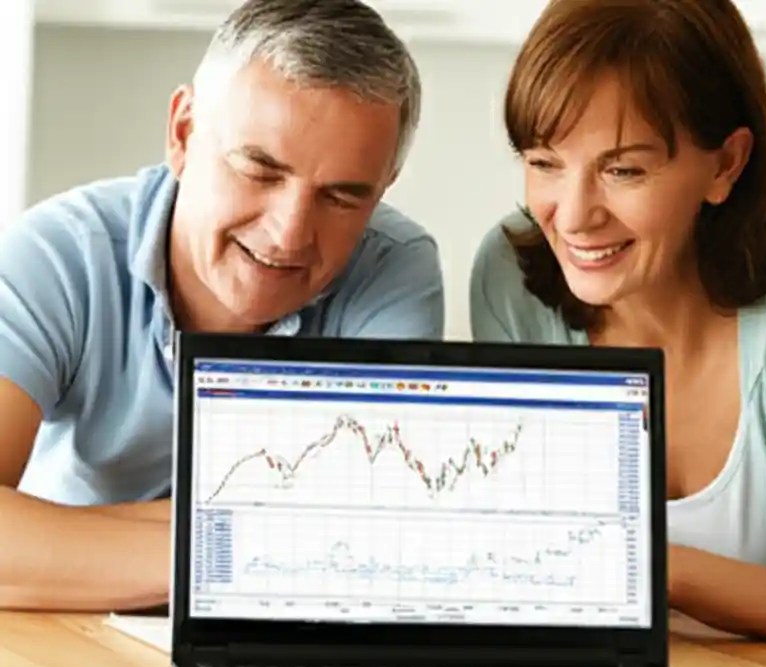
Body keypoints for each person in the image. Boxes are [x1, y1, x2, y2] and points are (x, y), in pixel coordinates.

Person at [469, 0, 766, 649]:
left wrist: (658, 570)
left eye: (623, 170)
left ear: (725, 164)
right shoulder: (513, 275)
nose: (572, 216)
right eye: (544, 163)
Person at [0, 0, 443, 612]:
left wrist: (72, 537)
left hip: (267, 641)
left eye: (341, 197)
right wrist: (249, 547)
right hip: (70, 626)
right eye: (260, 171)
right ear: (183, 133)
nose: (289, 233)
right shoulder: (56, 253)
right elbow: (332, 544)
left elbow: (374, 530)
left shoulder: (394, 268)